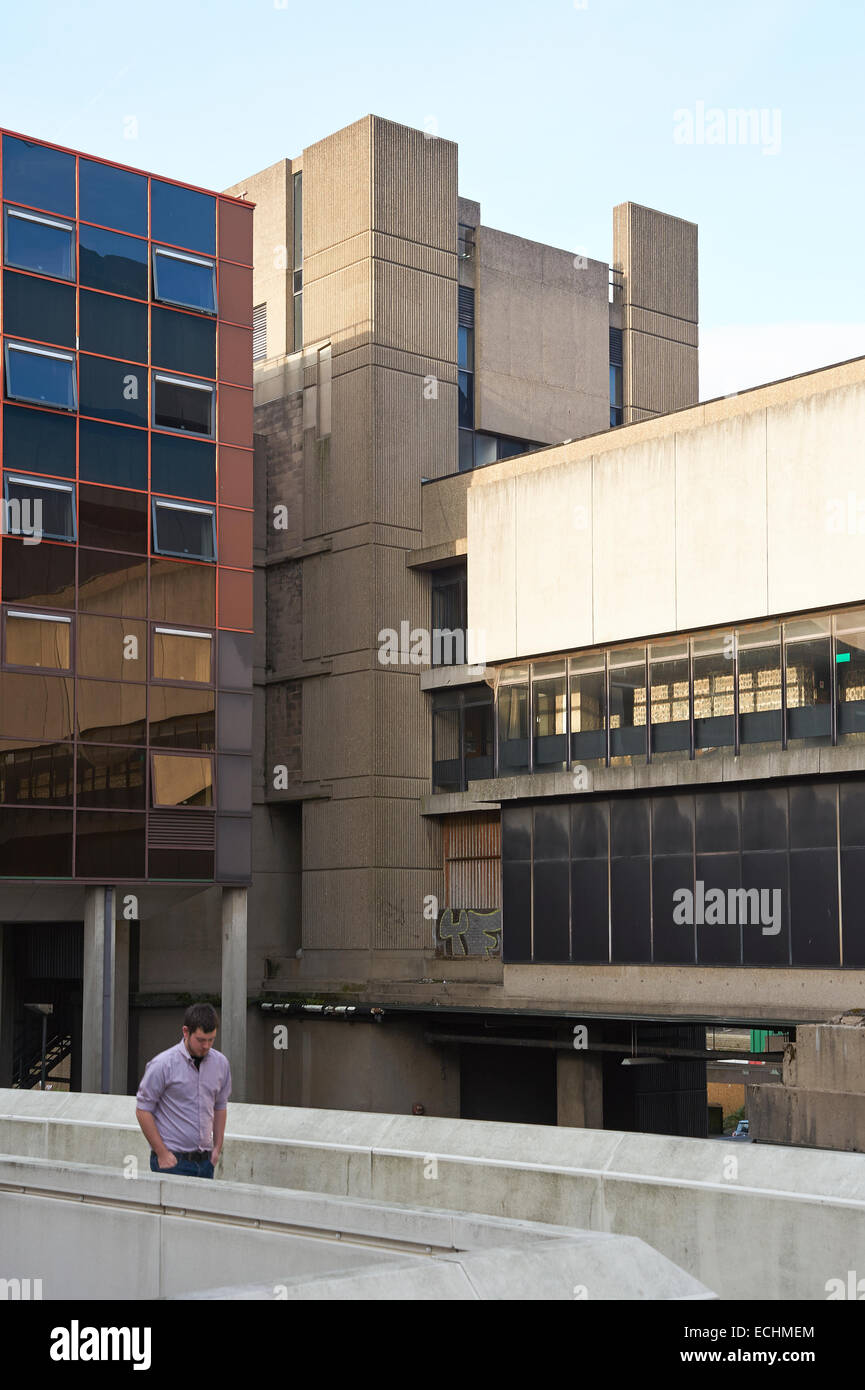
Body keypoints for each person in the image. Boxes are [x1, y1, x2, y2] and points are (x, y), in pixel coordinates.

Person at [135, 1002, 231, 1180]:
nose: (206, 1046)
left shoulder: (221, 1064)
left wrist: (217, 1148)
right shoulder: (163, 1064)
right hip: (172, 1161)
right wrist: (161, 1153)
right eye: (201, 1040)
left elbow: (220, 1106)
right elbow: (143, 1110)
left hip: (205, 1161)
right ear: (186, 1032)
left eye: (211, 1040)